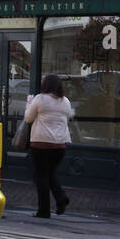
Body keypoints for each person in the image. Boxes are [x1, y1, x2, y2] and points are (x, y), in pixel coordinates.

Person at [22, 73, 74, 218]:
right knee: (50, 173)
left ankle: (44, 210)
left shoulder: (39, 99)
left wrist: (29, 103)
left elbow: (28, 118)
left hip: (41, 143)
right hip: (60, 145)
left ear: (45, 84)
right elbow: (68, 118)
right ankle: (61, 198)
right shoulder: (66, 101)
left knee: (41, 176)